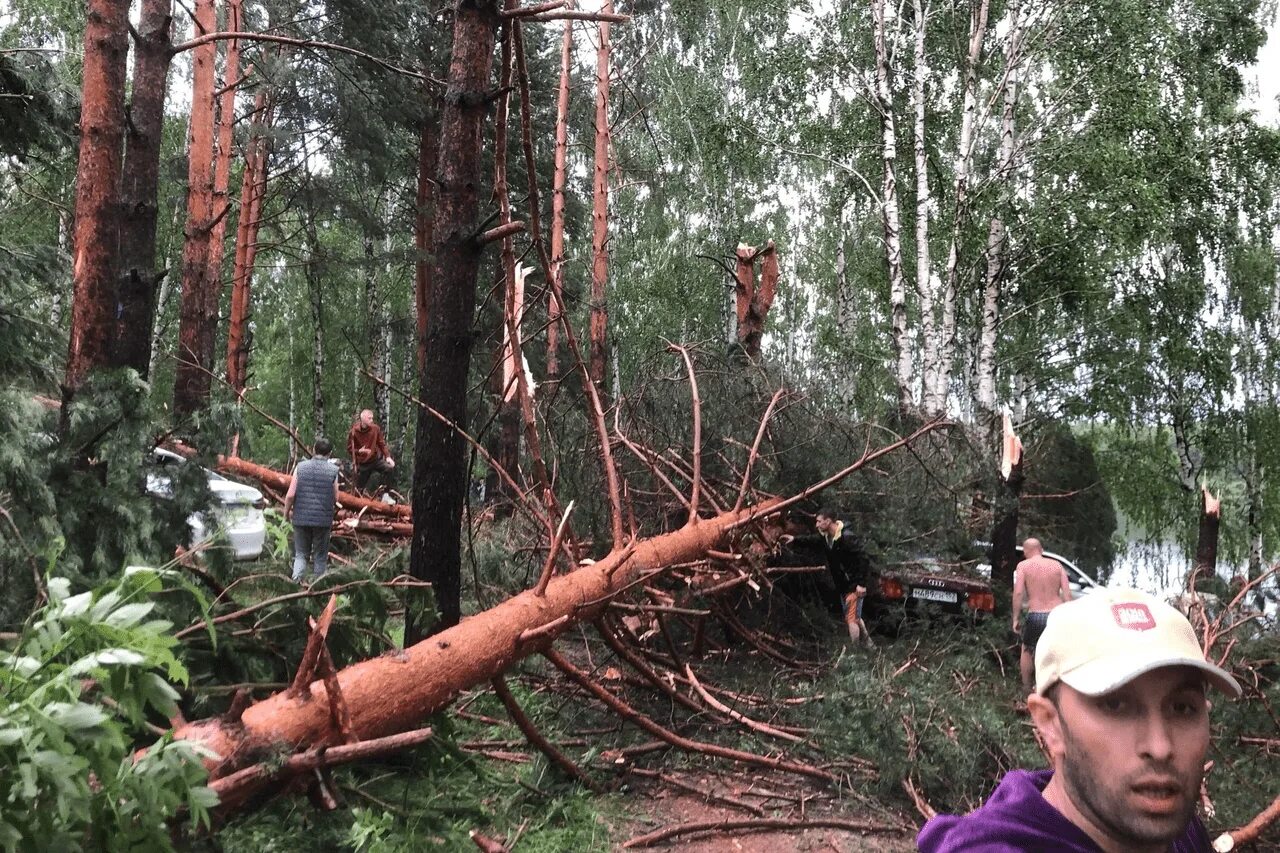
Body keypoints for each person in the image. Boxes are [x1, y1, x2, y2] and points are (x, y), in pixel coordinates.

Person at [918, 588, 1241, 853]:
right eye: (1115, 705)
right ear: (1050, 723)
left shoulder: (1175, 830)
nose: (1160, 747)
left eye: (1182, 708)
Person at [784, 507, 875, 646]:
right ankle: (870, 645)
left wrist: (861, 584)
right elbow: (813, 540)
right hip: (843, 584)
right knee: (854, 615)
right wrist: (795, 539)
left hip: (853, 584)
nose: (817, 525)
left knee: (851, 619)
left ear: (828, 521)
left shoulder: (847, 537)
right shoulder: (826, 537)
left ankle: (855, 651)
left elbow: (863, 559)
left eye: (819, 521)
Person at [1011, 537, 1073, 688]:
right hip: (1056, 615)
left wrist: (1016, 618)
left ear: (1026, 551)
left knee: (1027, 650)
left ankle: (1027, 689)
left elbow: (1018, 593)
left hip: (1036, 615)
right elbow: (1067, 595)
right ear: (1041, 550)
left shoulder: (1024, 566)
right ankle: (1054, 689)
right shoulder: (1057, 565)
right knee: (1056, 652)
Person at [283, 438, 340, 583]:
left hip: (301, 518)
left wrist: (286, 515)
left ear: (314, 450)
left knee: (301, 554)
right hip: (322, 520)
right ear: (330, 453)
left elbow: (290, 495)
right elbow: (336, 498)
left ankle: (295, 586)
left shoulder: (300, 467)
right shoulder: (333, 470)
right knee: (320, 557)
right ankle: (317, 589)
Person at [347, 409, 395, 494]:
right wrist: (359, 451)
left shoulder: (375, 429)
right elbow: (350, 449)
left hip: (375, 460)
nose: (372, 420)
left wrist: (387, 456)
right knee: (359, 490)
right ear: (363, 419)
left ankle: (386, 494)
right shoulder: (354, 431)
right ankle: (357, 503)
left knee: (389, 469)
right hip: (363, 464)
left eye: (372, 418)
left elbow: (381, 444)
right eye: (369, 418)